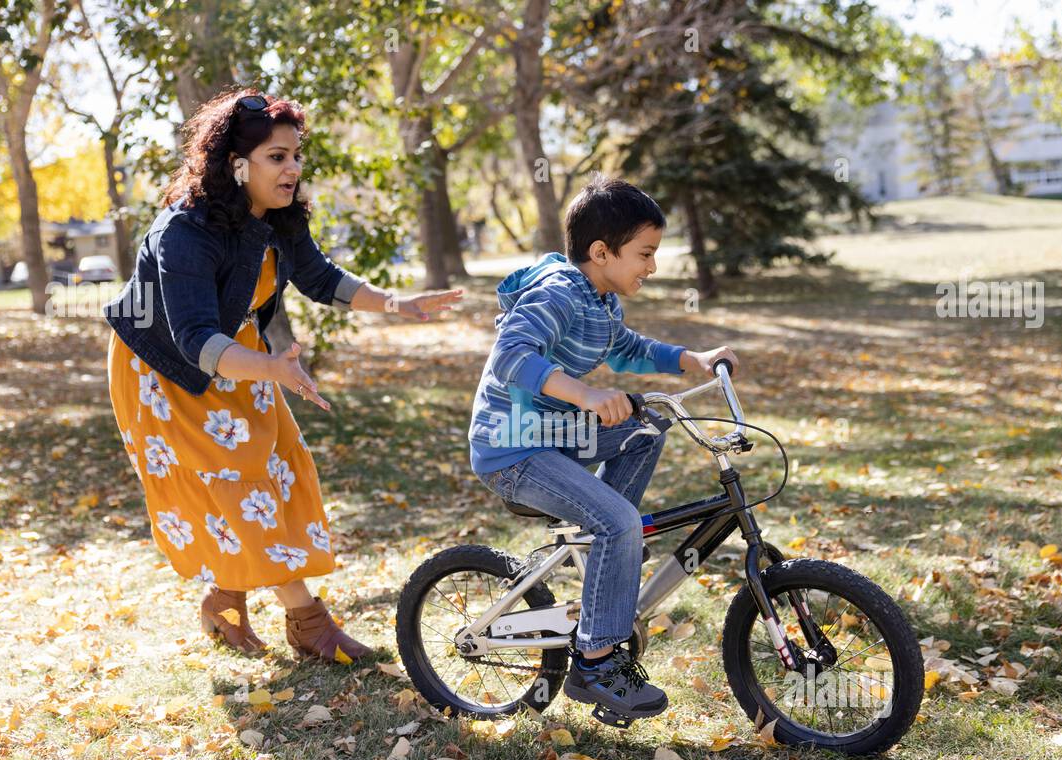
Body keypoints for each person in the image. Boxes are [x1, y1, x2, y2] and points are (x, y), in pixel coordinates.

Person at [103, 89, 461, 662]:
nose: (292, 167)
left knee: (278, 464)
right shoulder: (183, 233)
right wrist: (271, 366)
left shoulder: (279, 216)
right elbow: (193, 338)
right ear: (236, 164)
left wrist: (397, 304)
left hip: (236, 351)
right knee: (240, 481)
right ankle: (308, 623)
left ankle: (224, 597)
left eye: (296, 155)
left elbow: (319, 278)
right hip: (165, 366)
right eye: (277, 157)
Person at [467, 176, 737, 725]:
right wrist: (586, 394)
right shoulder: (558, 293)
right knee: (621, 521)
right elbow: (510, 358)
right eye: (645, 253)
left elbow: (628, 348)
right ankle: (594, 663)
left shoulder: (602, 299)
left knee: (647, 425)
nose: (652, 266)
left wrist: (692, 359)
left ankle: (605, 538)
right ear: (601, 252)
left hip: (552, 434)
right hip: (511, 447)